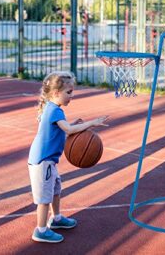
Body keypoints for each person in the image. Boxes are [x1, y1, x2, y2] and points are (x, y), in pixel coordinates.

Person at [28, 71, 108, 243]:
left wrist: (73, 125)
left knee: (55, 190)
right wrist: (91, 123)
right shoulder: (54, 111)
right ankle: (40, 230)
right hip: (43, 161)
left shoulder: (51, 108)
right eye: (69, 92)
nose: (72, 96)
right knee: (44, 198)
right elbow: (69, 131)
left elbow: (62, 130)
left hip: (48, 160)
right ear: (57, 93)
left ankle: (56, 219)